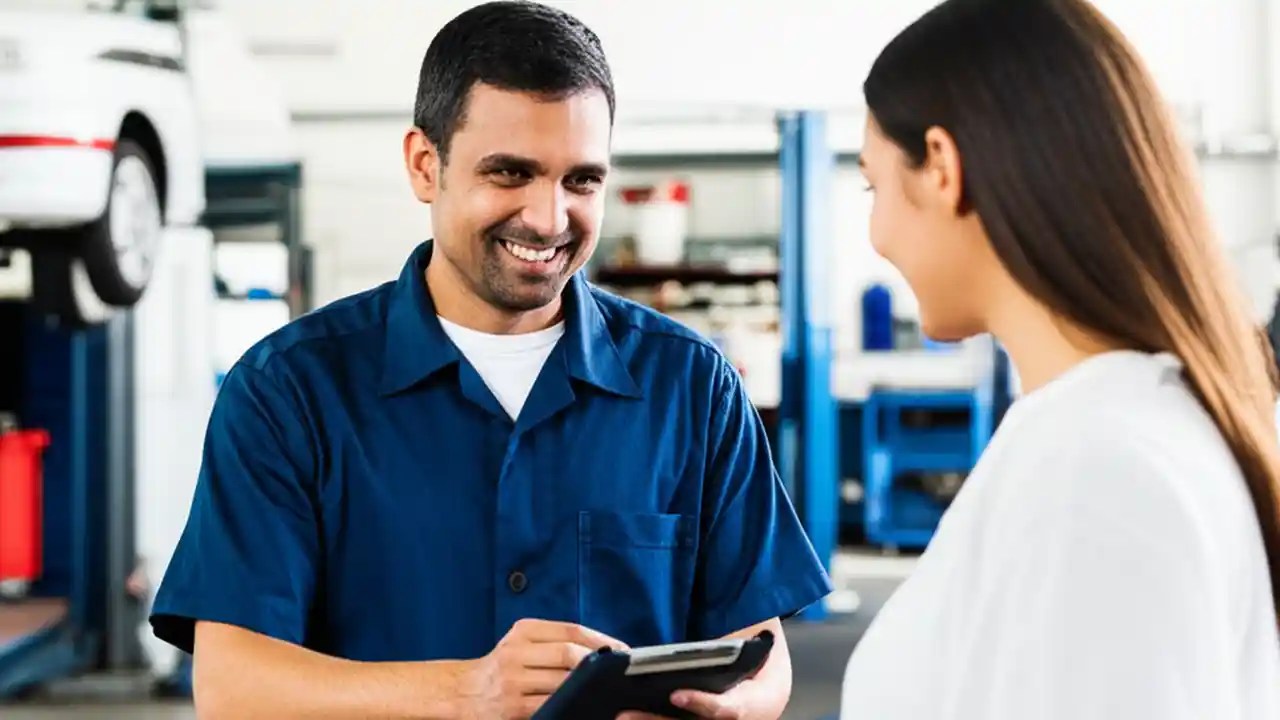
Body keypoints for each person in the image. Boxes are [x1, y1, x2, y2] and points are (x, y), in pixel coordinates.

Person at [148, 2, 831, 718]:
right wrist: (467, 692)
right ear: (424, 164)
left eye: (581, 181)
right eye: (510, 173)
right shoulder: (289, 392)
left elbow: (758, 646)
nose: (548, 217)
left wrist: (740, 708)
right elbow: (232, 688)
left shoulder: (691, 387)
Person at [841, 0, 1280, 718]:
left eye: (873, 185)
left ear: (943, 169)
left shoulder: (1095, 474)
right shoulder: (1115, 428)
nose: (876, 233)